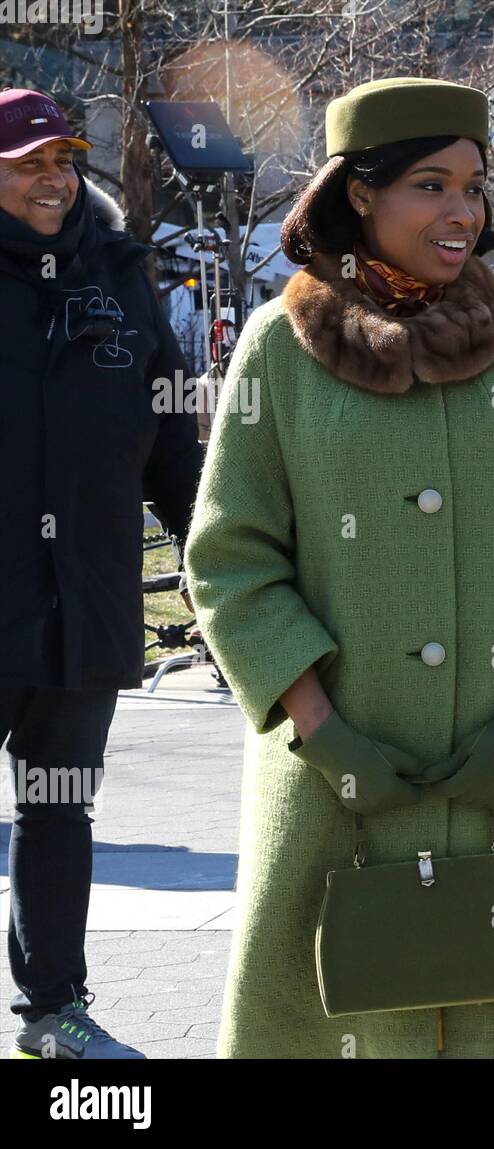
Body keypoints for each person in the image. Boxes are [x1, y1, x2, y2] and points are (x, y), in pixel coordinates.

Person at [184, 78, 494, 1058]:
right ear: (359, 196)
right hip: (333, 779)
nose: (464, 209)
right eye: (432, 185)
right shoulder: (277, 350)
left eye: (473, 185)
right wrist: (325, 734)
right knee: (349, 1033)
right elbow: (230, 558)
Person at [1, 88, 204, 1059]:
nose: (53, 179)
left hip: (85, 604)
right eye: (29, 163)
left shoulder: (122, 278)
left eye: (63, 160)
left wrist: (208, 547)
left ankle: (54, 1009)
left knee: (57, 808)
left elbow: (171, 435)